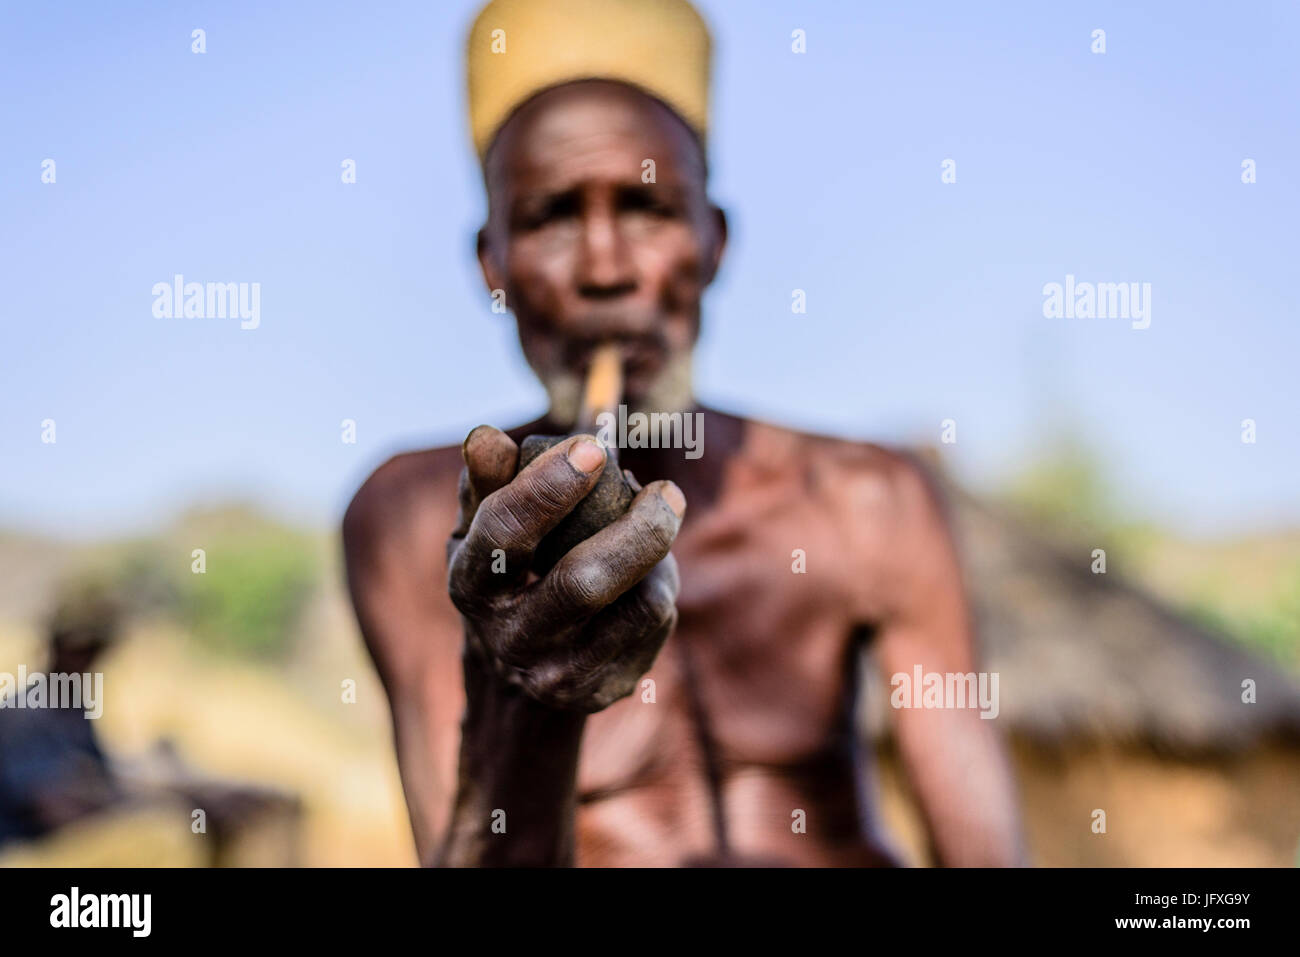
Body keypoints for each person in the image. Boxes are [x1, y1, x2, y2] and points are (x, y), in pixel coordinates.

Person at [343, 0, 1025, 866]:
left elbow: (989, 857)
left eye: (648, 207)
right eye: (552, 216)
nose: (605, 269)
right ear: (494, 266)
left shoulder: (869, 502)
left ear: (713, 243)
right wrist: (520, 699)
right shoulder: (408, 522)